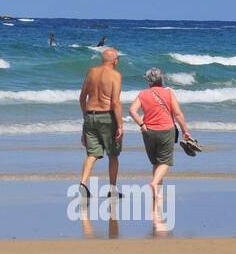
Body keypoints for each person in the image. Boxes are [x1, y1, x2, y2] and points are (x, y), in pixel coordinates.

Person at [128, 67, 193, 205]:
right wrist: (185, 131)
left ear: (148, 81)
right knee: (164, 162)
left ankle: (157, 193)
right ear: (161, 79)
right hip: (166, 130)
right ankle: (154, 183)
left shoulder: (143, 94)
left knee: (156, 162)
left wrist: (141, 124)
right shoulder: (168, 93)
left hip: (148, 132)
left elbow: (132, 110)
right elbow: (177, 114)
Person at [78, 48, 123, 198]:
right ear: (115, 61)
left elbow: (82, 98)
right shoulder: (115, 75)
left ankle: (83, 183)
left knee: (92, 154)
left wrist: (86, 117)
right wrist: (120, 125)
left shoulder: (91, 72)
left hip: (90, 116)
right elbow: (115, 103)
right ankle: (112, 190)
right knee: (113, 155)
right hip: (107, 117)